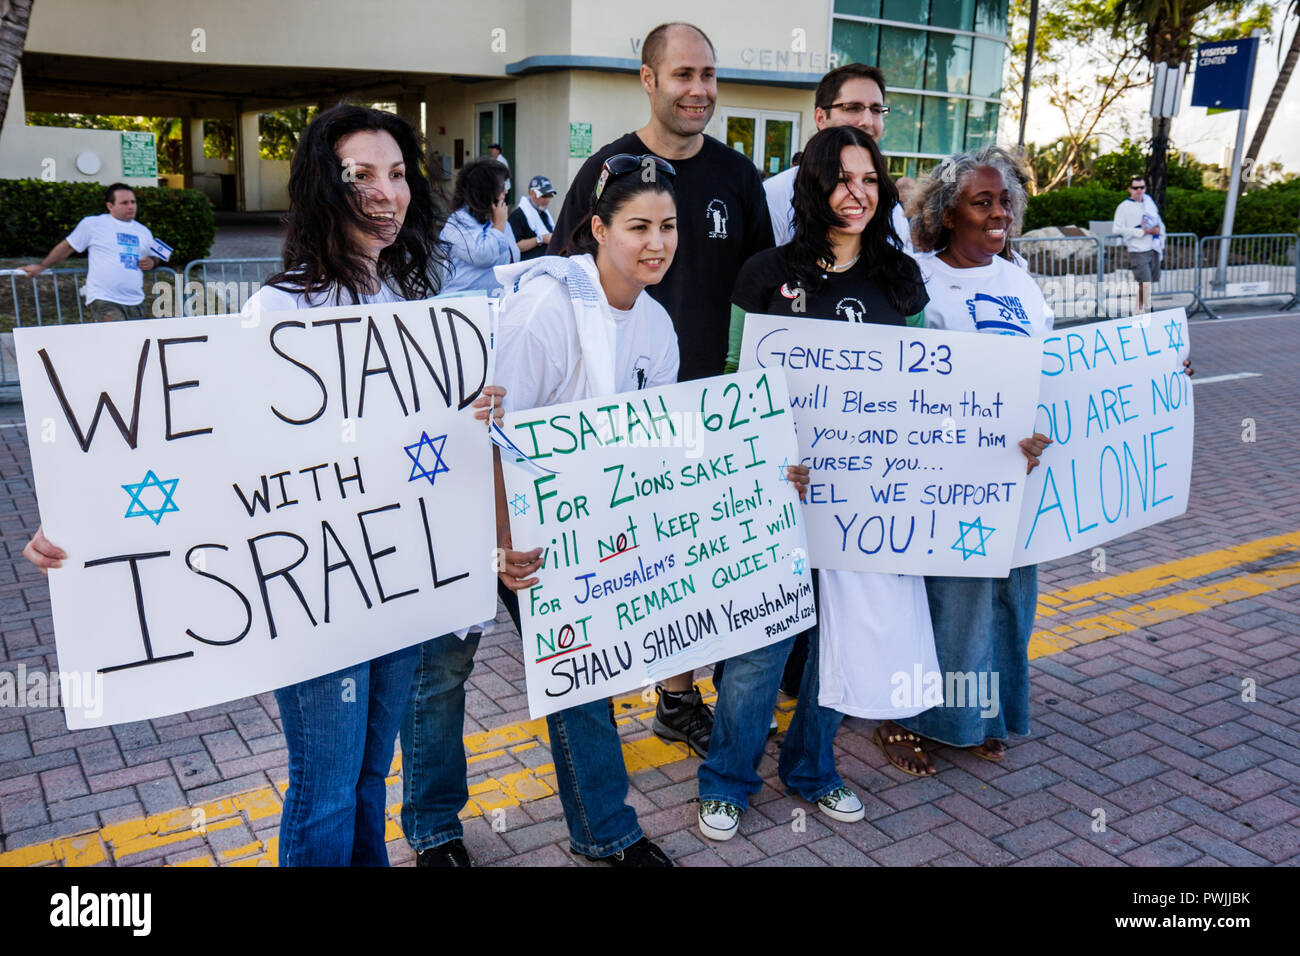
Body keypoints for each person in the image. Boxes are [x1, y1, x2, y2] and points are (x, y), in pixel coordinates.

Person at [22, 105, 504, 866]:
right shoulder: (277, 309)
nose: (387, 192)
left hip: (397, 582)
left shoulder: (411, 307)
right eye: (362, 176)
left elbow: (420, 443)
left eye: (399, 174)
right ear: (323, 188)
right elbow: (197, 446)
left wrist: (474, 409)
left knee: (372, 778)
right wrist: (83, 518)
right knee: (325, 788)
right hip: (316, 594)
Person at [401, 154, 684, 868]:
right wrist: (502, 543)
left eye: (670, 227)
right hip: (479, 509)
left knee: (580, 667)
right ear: (597, 229)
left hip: (567, 525)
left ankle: (606, 831)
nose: (657, 242)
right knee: (440, 673)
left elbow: (650, 443)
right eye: (639, 226)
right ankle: (433, 830)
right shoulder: (546, 308)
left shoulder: (657, 327)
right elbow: (488, 430)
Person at [695, 125, 936, 841]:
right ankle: (727, 780)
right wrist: (766, 457)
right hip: (777, 494)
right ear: (812, 186)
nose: (855, 193)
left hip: (866, 499)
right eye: (839, 178)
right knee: (757, 651)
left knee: (841, 642)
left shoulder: (900, 278)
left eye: (868, 179)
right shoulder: (764, 274)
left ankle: (812, 767)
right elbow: (733, 388)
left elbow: (926, 387)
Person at [549, 21, 775, 755]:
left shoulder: (737, 177)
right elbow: (563, 280)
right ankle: (607, 705)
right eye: (682, 75)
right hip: (621, 413)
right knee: (629, 561)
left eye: (708, 75)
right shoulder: (608, 170)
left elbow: (767, 289)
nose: (698, 90)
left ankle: (677, 697)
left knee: (694, 556)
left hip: (708, 405)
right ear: (648, 80)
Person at [763, 63, 911, 255]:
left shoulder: (890, 208)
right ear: (820, 118)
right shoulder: (776, 194)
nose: (867, 121)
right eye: (852, 108)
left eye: (876, 110)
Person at [21, 183, 165, 322]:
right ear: (110, 206)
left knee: (133, 344)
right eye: (124, 203)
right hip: (105, 299)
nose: (130, 206)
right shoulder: (93, 224)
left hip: (135, 300)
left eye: (133, 202)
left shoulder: (143, 231)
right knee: (117, 340)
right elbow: (68, 246)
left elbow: (156, 256)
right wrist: (43, 266)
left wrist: (153, 261)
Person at [440, 158, 517, 294]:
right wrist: (498, 226)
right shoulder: (459, 222)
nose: (506, 192)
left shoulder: (499, 220)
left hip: (496, 305)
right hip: (463, 309)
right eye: (502, 187)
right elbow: (481, 256)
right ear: (485, 190)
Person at [1113, 175, 1165, 313]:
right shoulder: (1123, 207)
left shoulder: (1149, 204)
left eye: (1142, 187)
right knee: (1145, 282)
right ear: (1130, 189)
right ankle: (1149, 309)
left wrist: (1157, 231)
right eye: (1136, 188)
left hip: (1153, 247)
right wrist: (1141, 232)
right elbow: (1117, 229)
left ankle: (1137, 310)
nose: (1139, 190)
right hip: (1136, 250)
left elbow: (1159, 223)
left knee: (1146, 283)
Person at [508, 175, 557, 261]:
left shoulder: (544, 214)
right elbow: (516, 247)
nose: (547, 200)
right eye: (544, 195)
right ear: (532, 194)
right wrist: (541, 239)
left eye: (550, 195)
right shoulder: (517, 216)